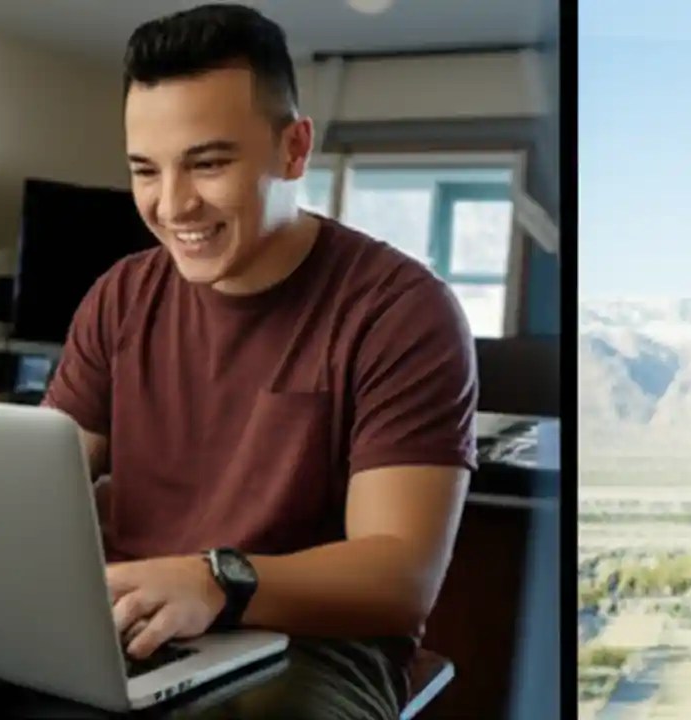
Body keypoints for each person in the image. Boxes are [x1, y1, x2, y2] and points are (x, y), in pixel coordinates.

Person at [42, 4, 477, 716]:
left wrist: (217, 580)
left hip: (311, 642)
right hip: (134, 616)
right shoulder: (118, 296)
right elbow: (44, 482)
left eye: (208, 163)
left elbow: (400, 576)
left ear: (294, 150)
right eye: (146, 170)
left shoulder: (403, 312)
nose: (173, 204)